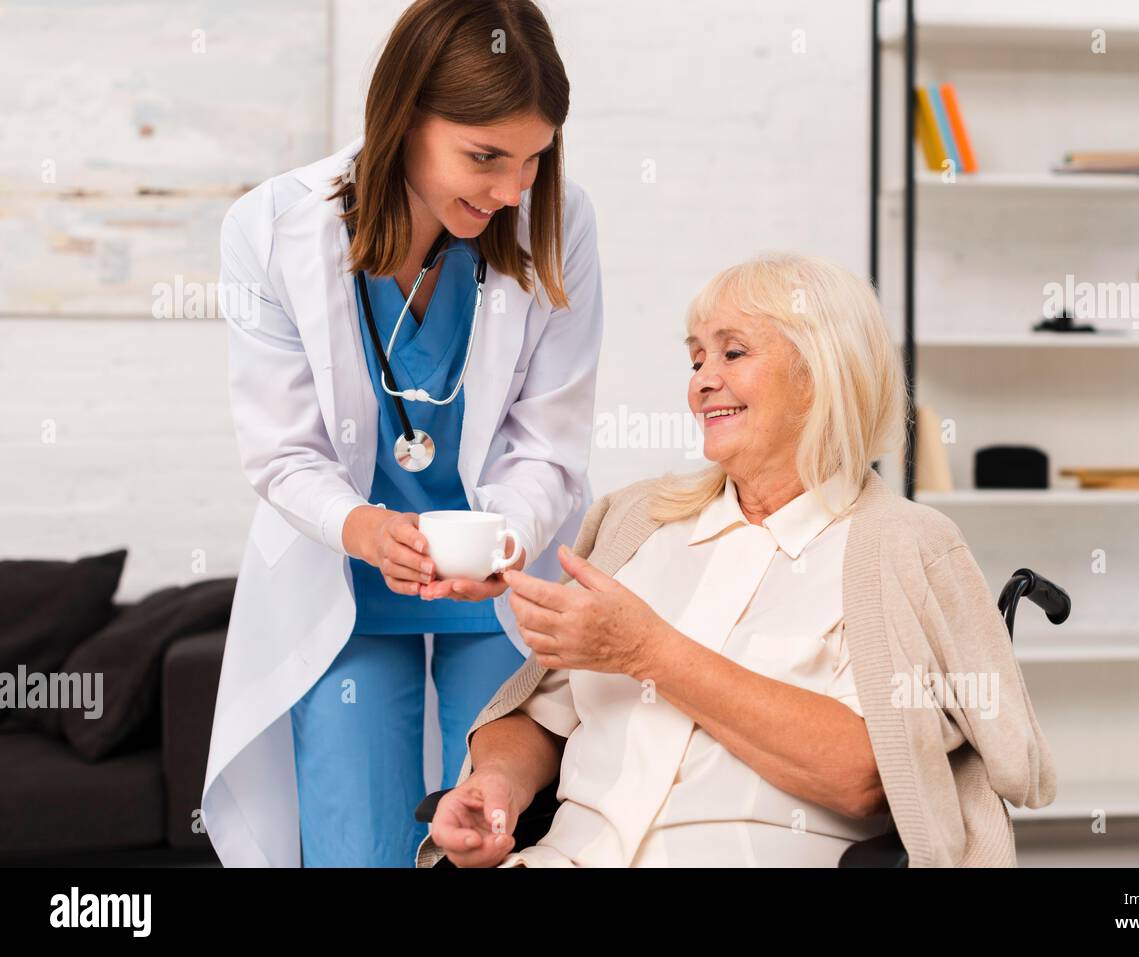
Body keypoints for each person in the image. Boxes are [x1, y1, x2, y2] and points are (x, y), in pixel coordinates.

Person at [418, 252, 1055, 868]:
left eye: (733, 352)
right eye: (696, 358)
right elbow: (546, 713)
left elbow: (866, 773)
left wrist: (647, 651)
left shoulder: (900, 546)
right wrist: (497, 785)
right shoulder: (637, 521)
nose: (702, 380)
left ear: (821, 372)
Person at [203, 0, 603, 867]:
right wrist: (362, 527)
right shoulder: (272, 230)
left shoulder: (558, 222)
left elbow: (550, 441)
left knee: (500, 831)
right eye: (484, 156)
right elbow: (282, 449)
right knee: (359, 838)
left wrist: (508, 534)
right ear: (404, 117)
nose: (510, 191)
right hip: (342, 578)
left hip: (498, 581)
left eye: (533, 158)